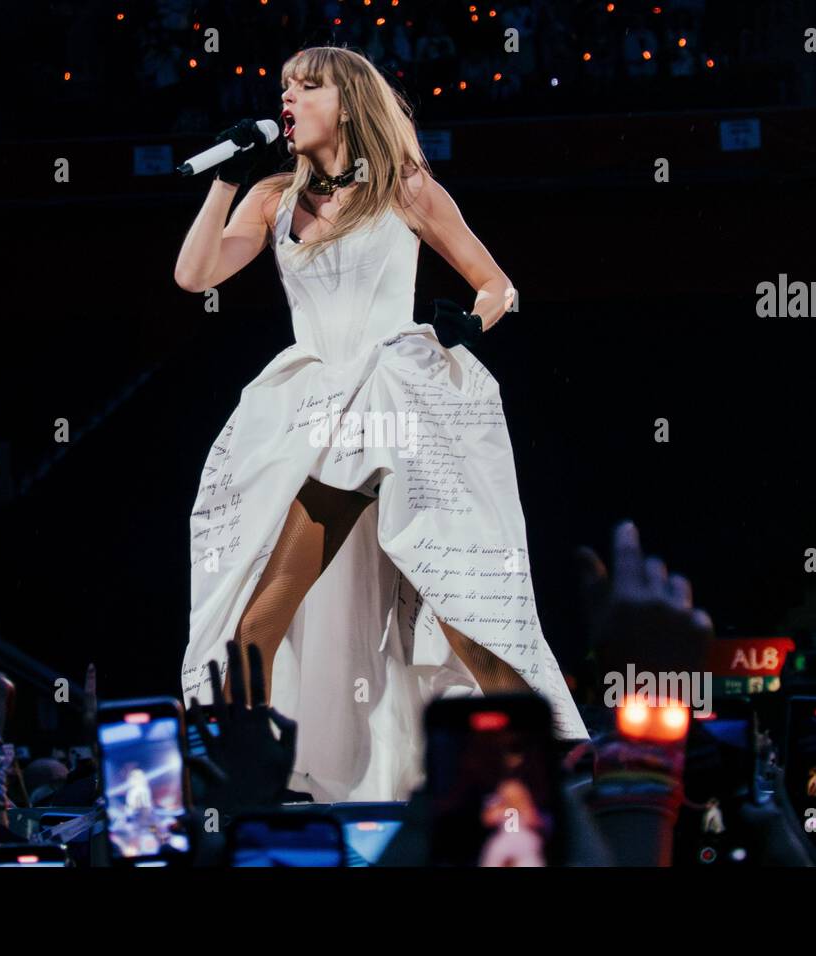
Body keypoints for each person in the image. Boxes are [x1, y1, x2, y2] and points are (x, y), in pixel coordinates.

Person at [175, 45, 586, 804]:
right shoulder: (270, 195)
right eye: (282, 87)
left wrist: (465, 326)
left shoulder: (405, 188)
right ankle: (244, 788)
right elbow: (194, 275)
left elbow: (499, 285)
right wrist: (226, 176)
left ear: (349, 99)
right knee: (262, 620)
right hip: (311, 412)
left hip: (394, 402)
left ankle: (559, 756)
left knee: (453, 607)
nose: (288, 100)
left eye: (306, 86)